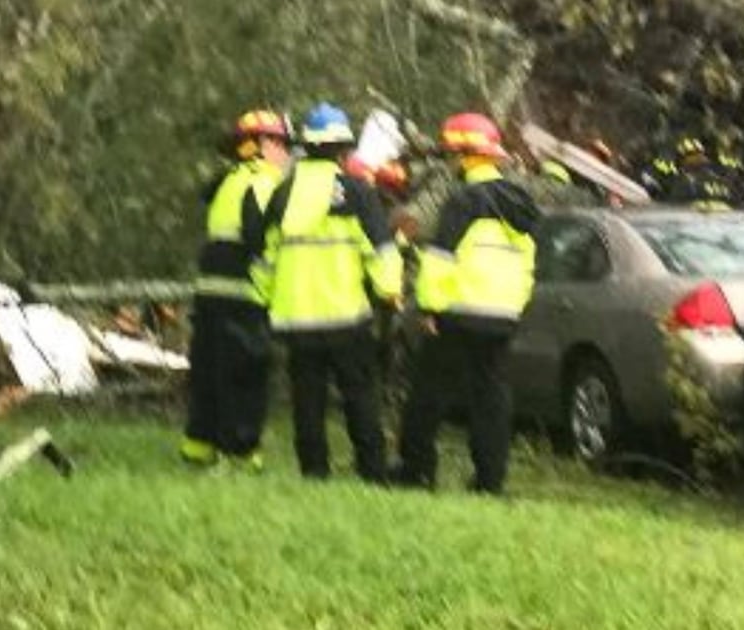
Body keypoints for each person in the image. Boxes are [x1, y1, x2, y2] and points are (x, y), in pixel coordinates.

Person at [391, 112, 541, 495]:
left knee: (428, 392)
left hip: (459, 311)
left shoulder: (464, 201)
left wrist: (429, 308)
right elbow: (528, 264)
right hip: (503, 314)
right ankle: (490, 481)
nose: (451, 163)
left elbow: (441, 260)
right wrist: (514, 308)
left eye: (453, 155)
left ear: (466, 156)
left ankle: (416, 470)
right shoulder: (521, 204)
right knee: (491, 397)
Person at [252, 102, 402, 481]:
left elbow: (263, 262)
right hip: (346, 318)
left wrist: (264, 302)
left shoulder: (283, 195)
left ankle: (314, 474)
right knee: (360, 397)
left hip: (296, 320)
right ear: (343, 148)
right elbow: (381, 250)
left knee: (308, 402)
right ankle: (373, 474)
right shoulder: (356, 193)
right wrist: (389, 292)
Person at [180, 109, 291, 470]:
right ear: (265, 144)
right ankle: (241, 454)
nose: (287, 154)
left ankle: (200, 446)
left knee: (209, 374)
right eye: (283, 144)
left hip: (210, 296)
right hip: (244, 298)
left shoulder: (228, 182)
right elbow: (260, 239)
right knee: (243, 378)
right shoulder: (264, 183)